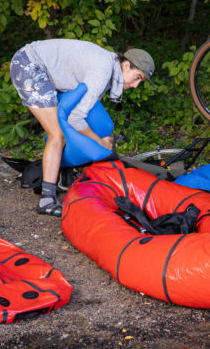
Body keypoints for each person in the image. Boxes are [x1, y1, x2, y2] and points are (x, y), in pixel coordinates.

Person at [10, 39, 155, 216]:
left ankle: (63, 173)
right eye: (137, 77)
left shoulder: (108, 67)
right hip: (29, 65)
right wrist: (98, 141)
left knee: (69, 129)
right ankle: (47, 200)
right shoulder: (102, 72)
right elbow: (75, 118)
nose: (136, 85)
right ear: (125, 65)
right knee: (57, 134)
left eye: (141, 81)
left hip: (42, 67)